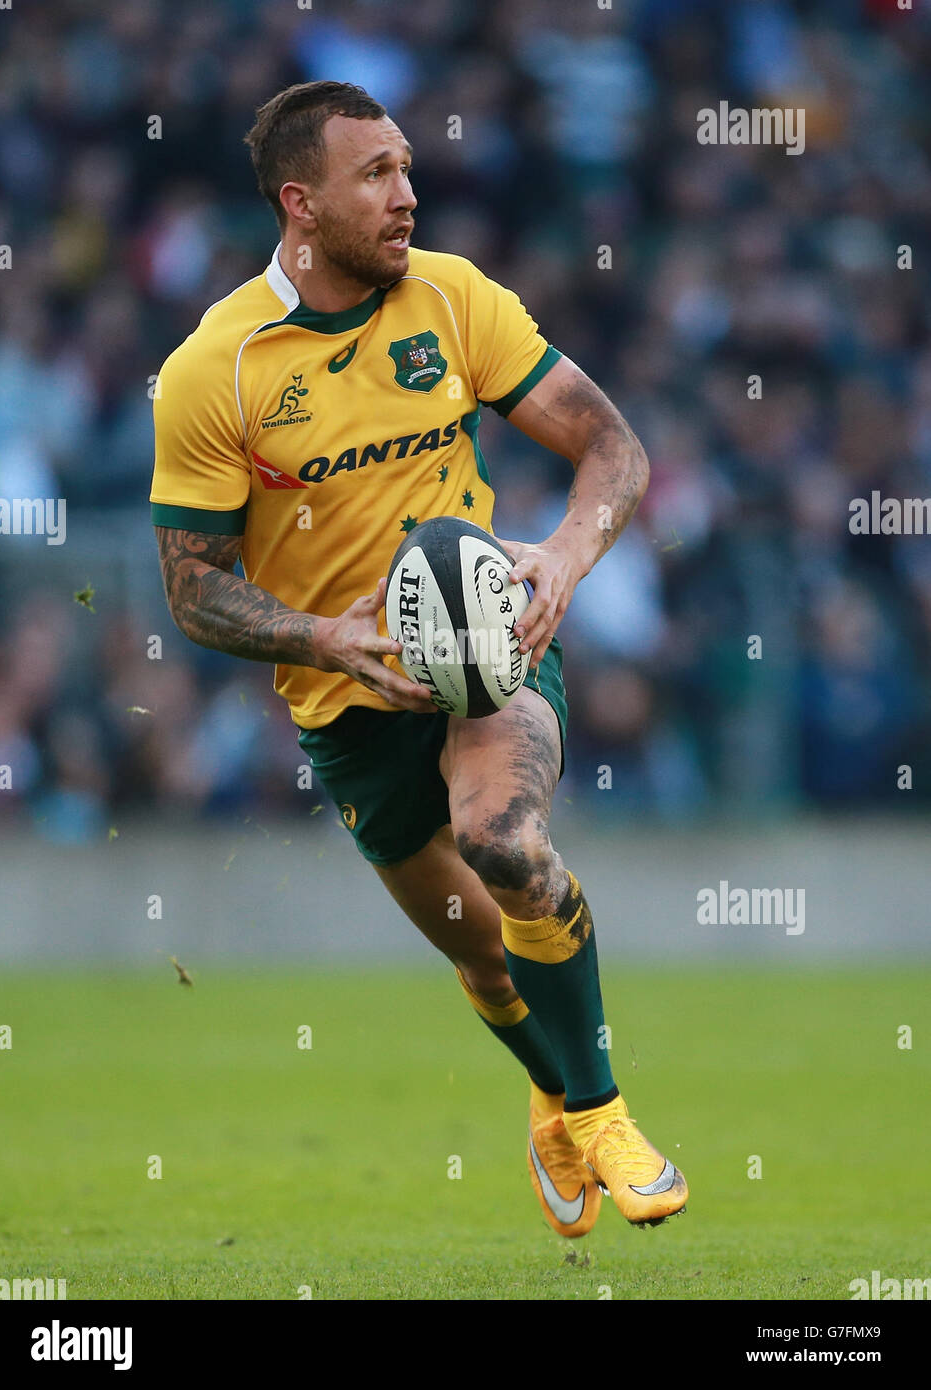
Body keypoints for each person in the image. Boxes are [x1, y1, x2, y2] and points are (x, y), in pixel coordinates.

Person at [150, 80, 687, 1236]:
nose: (407, 194)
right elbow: (192, 592)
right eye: (376, 176)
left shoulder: (452, 299)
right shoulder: (217, 370)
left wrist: (561, 554)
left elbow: (610, 445)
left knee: (506, 843)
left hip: (485, 649)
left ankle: (599, 1109)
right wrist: (322, 637)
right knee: (488, 963)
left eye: (405, 165)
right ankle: (550, 1093)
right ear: (301, 203)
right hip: (343, 702)